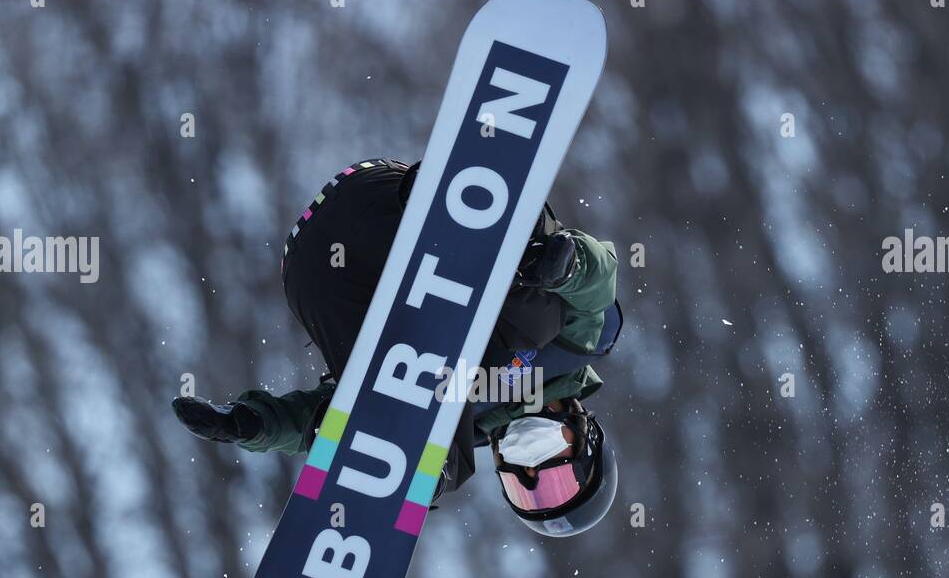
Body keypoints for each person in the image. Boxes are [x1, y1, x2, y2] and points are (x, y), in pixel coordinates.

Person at [173, 157, 621, 536]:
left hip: (326, 274)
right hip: (394, 213)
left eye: (526, 491)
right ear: (586, 438)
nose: (530, 471)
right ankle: (458, 222)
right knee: (542, 319)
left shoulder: (464, 427)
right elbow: (600, 283)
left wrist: (255, 427)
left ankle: (396, 457)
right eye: (557, 480)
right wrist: (569, 267)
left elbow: (325, 407)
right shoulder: (579, 350)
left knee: (404, 406)